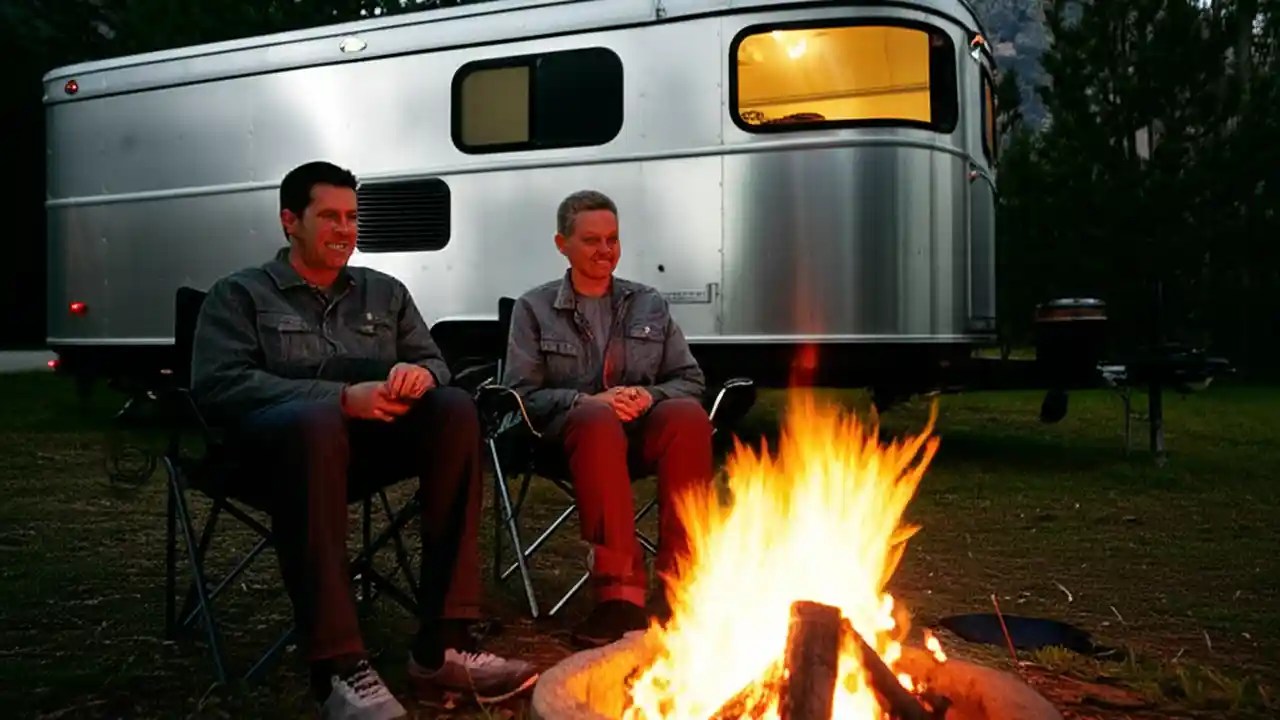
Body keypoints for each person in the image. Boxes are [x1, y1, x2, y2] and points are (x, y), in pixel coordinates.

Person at [190, 161, 538, 719]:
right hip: (268, 455)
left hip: (364, 451)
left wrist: (422, 376)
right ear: (289, 221)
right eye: (329, 216)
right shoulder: (240, 295)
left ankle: (443, 642)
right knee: (314, 421)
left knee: (453, 409)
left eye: (352, 217)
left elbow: (431, 360)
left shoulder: (386, 292)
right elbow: (218, 385)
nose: (344, 229)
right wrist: (339, 397)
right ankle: (336, 666)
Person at [502, 190, 713, 648]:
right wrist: (588, 401)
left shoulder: (648, 303)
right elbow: (520, 395)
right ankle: (620, 599)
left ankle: (685, 588)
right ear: (562, 244)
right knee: (597, 423)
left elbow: (689, 379)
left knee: (686, 416)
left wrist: (648, 395)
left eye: (612, 239)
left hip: (638, 433)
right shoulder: (533, 309)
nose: (605, 250)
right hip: (567, 438)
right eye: (592, 240)